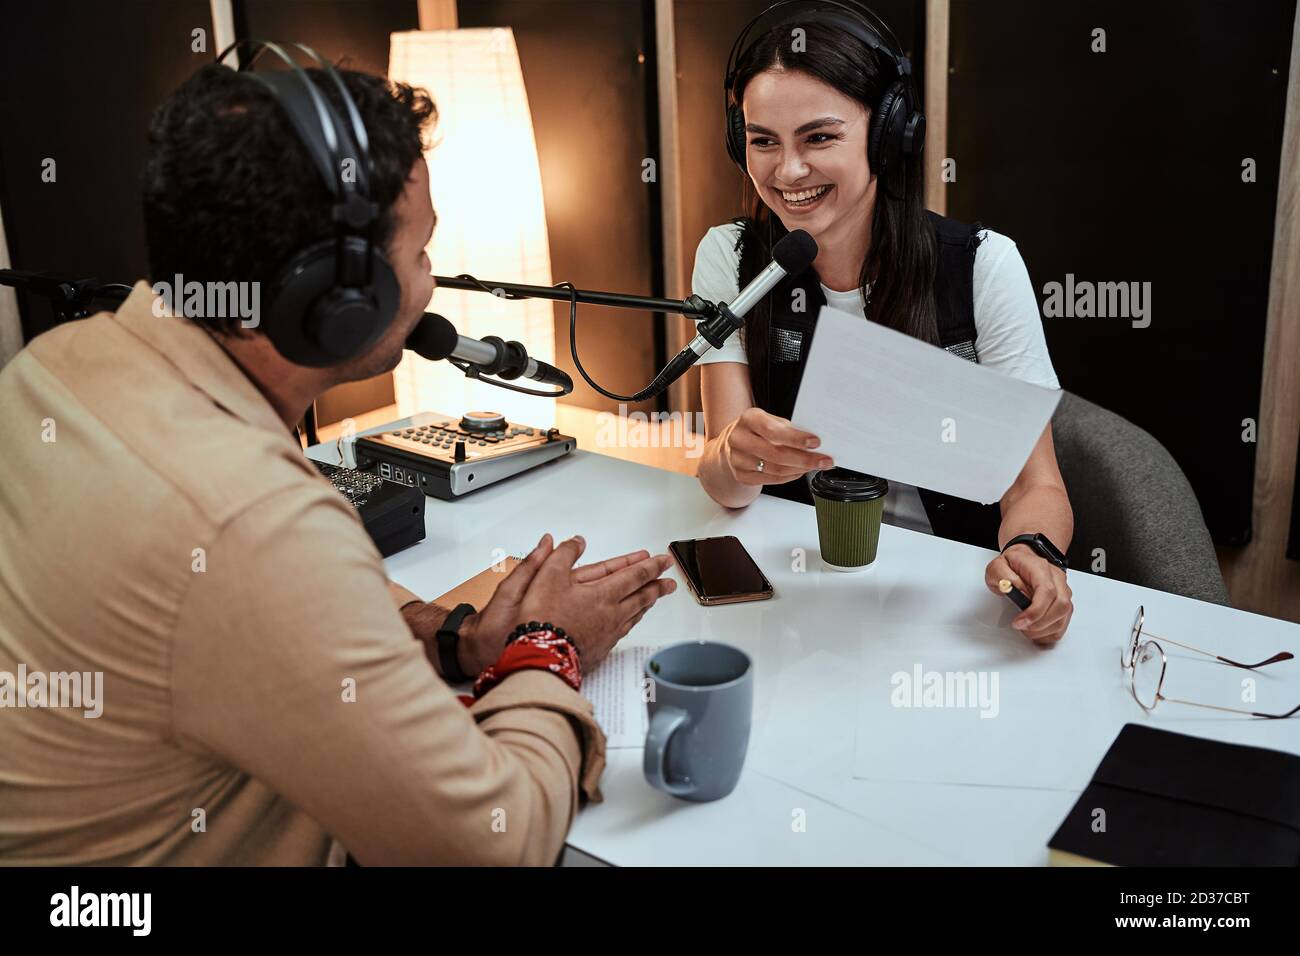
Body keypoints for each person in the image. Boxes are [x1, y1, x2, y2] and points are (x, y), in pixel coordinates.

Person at [0, 58, 674, 865]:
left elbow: (250, 640)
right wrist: (545, 646)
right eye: (422, 251)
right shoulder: (253, 522)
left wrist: (451, 639)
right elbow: (497, 846)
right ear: (335, 297)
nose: (430, 280)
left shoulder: (57, 366)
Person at [692, 3, 1074, 644]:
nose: (787, 172)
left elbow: (1036, 485)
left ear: (888, 133)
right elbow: (724, 485)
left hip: (945, 599)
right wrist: (735, 455)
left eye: (819, 137)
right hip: (799, 590)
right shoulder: (731, 259)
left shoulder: (982, 265)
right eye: (763, 141)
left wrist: (1035, 553)